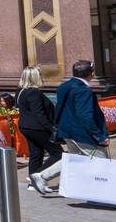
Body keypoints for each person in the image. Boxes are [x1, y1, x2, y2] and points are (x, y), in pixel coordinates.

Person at [34, 60, 110, 192]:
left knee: (73, 159)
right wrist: (99, 136)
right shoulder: (83, 90)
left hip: (67, 131)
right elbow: (85, 115)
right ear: (92, 74)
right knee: (102, 162)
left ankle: (41, 176)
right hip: (81, 133)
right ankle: (103, 193)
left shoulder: (64, 86)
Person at [17, 66, 62, 196]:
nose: (42, 76)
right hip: (37, 127)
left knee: (36, 153)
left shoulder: (21, 92)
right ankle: (39, 176)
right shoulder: (33, 92)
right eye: (39, 74)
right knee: (57, 153)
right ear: (34, 77)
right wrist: (51, 128)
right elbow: (39, 113)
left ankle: (34, 183)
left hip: (26, 126)